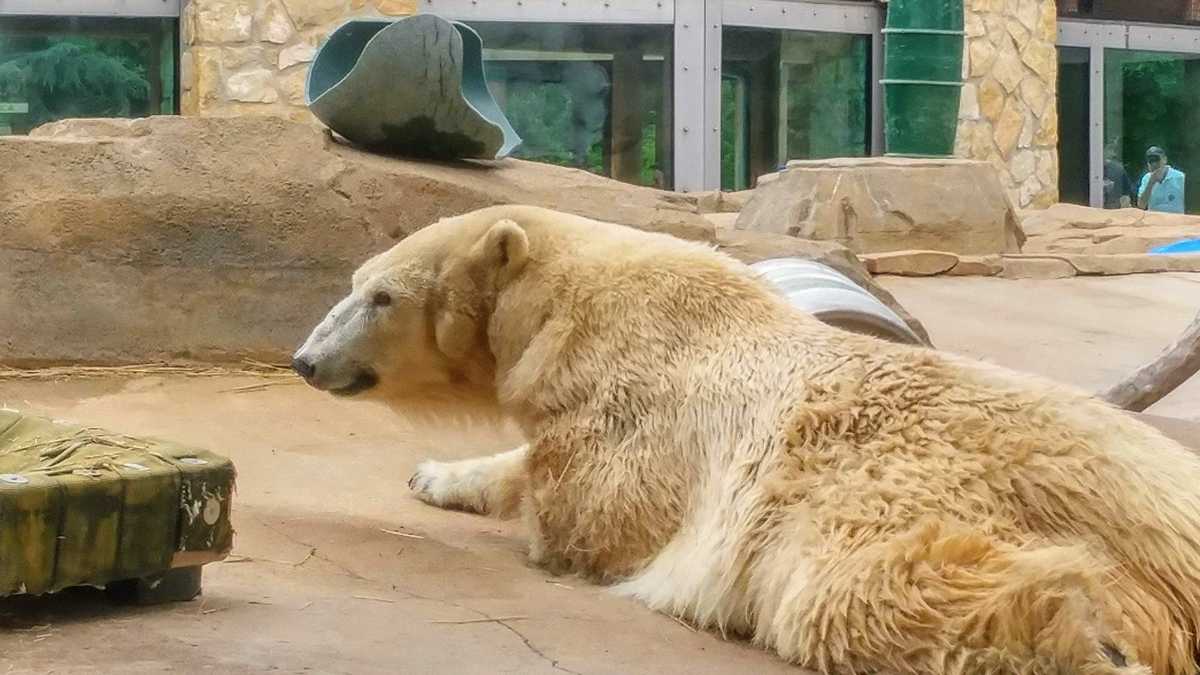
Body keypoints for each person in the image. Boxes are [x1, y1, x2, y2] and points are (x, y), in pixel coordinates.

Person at [1137, 145, 1186, 213]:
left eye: (1157, 160)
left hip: (1177, 218)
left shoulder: (1180, 177)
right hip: (1155, 219)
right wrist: (1151, 183)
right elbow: (1141, 206)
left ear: (1165, 160)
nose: (1154, 164)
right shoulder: (1146, 179)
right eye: (1151, 161)